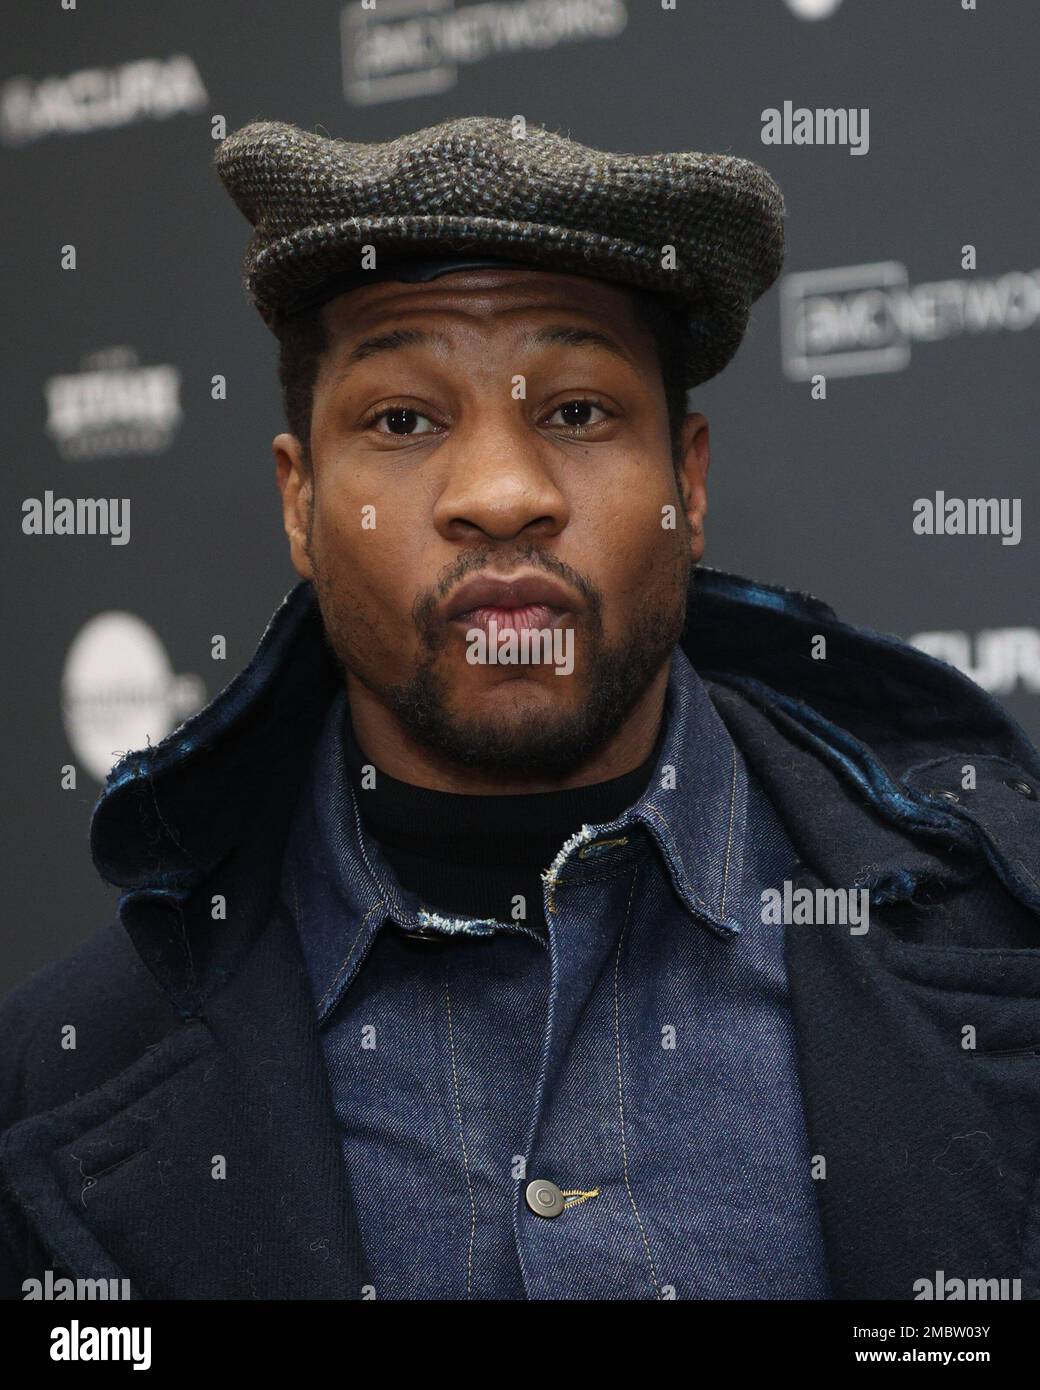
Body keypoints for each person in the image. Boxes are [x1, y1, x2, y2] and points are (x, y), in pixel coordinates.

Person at [2, 116, 1039, 1302]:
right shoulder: (57, 1081)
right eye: (403, 420)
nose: (502, 494)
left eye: (577, 413)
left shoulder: (1000, 947)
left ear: (686, 485)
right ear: (299, 504)